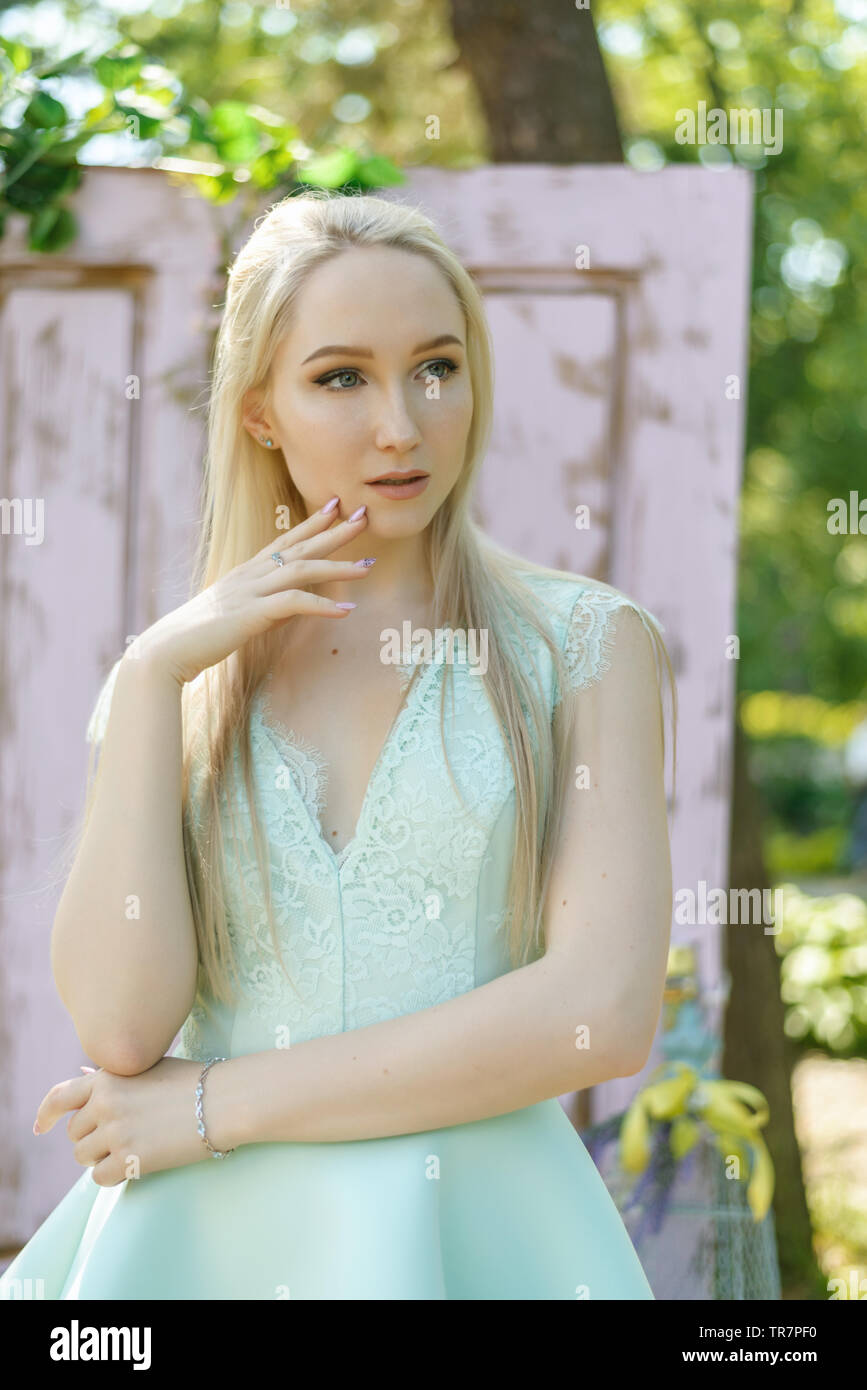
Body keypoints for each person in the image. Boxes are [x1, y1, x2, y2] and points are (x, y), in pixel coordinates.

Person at [0, 189, 676, 1301]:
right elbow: (122, 1026)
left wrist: (211, 1105)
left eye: (437, 367)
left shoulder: (588, 647)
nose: (404, 425)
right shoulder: (174, 680)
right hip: (194, 1253)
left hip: (479, 1235)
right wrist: (150, 678)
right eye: (341, 376)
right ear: (261, 408)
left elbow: (599, 1014)